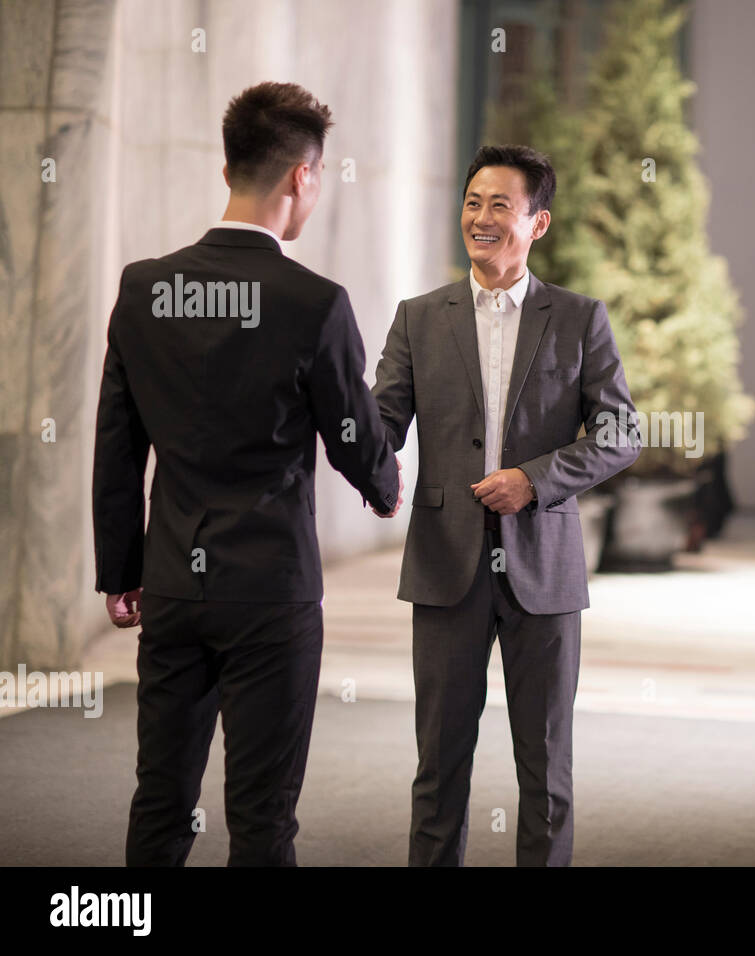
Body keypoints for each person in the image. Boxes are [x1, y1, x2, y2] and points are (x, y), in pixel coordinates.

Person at [92, 81, 402, 866]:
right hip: (270, 590)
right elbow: (350, 434)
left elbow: (118, 443)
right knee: (262, 816)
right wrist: (383, 482)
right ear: (302, 176)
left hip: (172, 582)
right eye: (321, 175)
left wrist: (122, 569)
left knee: (160, 795)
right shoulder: (313, 302)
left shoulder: (144, 287)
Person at [373, 144, 640, 866]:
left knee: (546, 773)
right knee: (438, 771)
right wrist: (361, 455)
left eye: (500, 205)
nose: (481, 218)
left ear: (538, 222)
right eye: (472, 202)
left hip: (543, 568)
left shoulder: (579, 319)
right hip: (444, 566)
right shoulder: (419, 318)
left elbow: (621, 434)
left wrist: (535, 479)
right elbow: (378, 426)